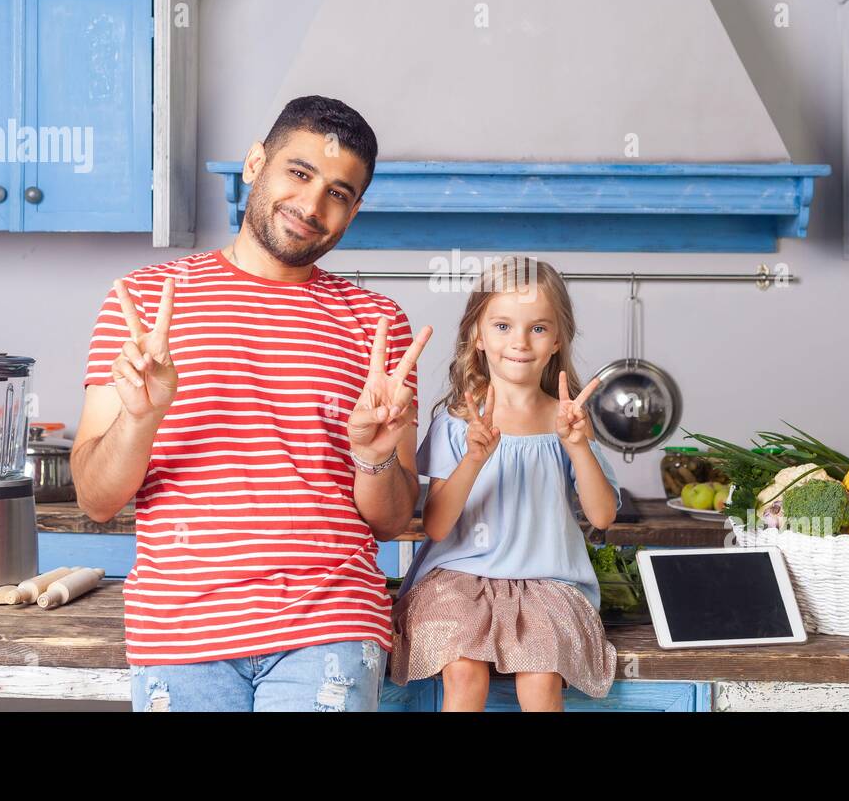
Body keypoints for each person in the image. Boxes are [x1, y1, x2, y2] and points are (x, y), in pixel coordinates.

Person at [70, 95, 432, 712]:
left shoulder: (379, 326)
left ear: (354, 210)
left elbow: (391, 520)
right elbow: (96, 499)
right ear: (255, 163)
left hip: (329, 625)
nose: (312, 206)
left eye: (339, 193)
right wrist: (141, 418)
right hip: (183, 630)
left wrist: (372, 458)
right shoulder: (145, 301)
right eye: (299, 172)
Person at [390, 256, 620, 711]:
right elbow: (435, 527)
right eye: (502, 326)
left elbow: (602, 516)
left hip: (548, 582)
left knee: (541, 679)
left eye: (537, 328)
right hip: (459, 581)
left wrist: (577, 446)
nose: (519, 341)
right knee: (463, 672)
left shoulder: (569, 421)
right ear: (477, 335)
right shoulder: (458, 423)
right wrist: (474, 459)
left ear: (557, 339)